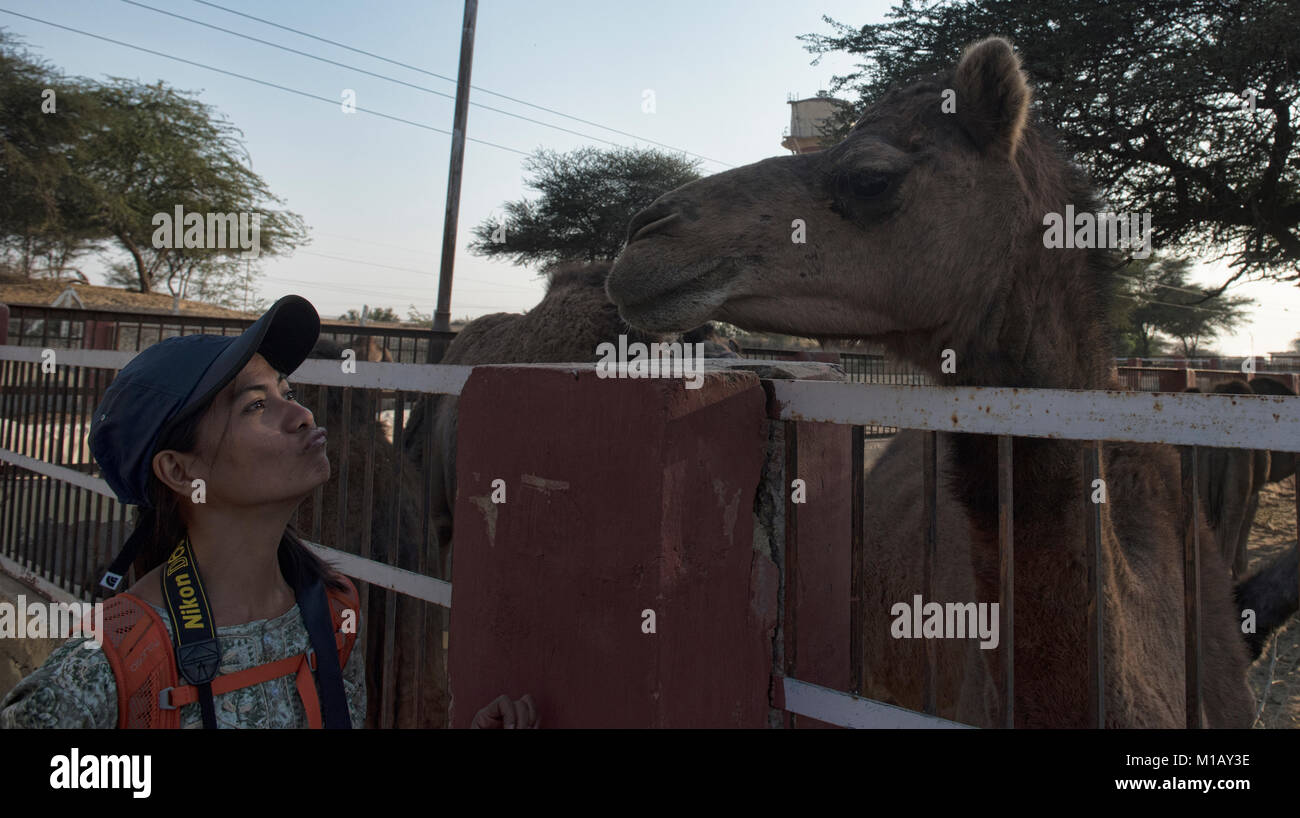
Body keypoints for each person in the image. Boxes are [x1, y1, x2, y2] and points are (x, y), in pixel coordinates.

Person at [0, 295, 537, 729]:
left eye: (287, 391)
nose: (302, 415)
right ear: (181, 473)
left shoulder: (330, 613)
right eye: (256, 405)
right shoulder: (105, 669)